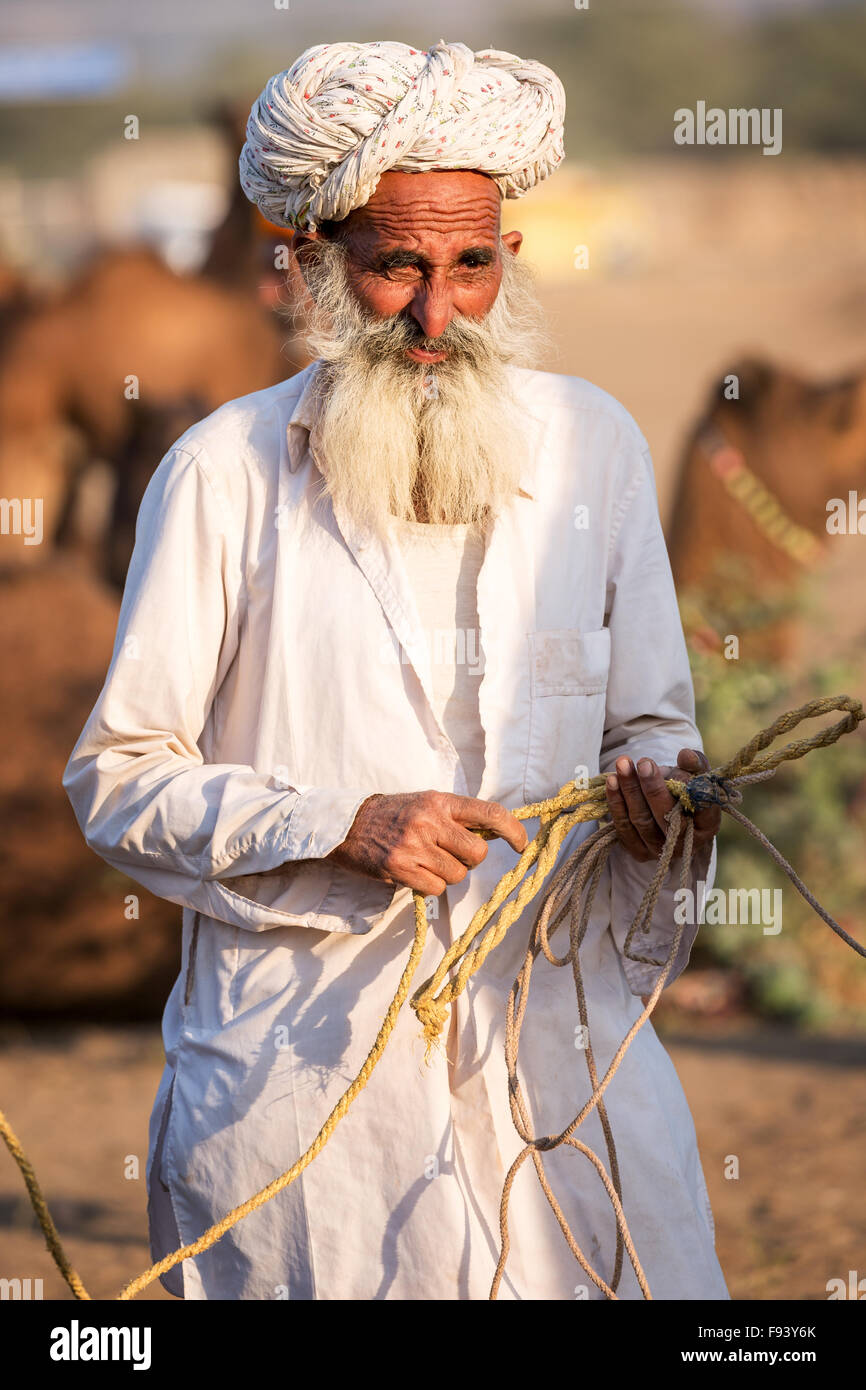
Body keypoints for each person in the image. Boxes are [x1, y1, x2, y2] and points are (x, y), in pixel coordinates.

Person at [63, 39, 728, 1300]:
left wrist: (654, 796)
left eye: (469, 265)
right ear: (316, 265)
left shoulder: (594, 448)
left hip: (562, 1068)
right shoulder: (223, 473)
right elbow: (117, 777)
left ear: (507, 261)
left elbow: (650, 725)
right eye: (394, 268)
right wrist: (342, 823)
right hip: (309, 1084)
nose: (436, 314)